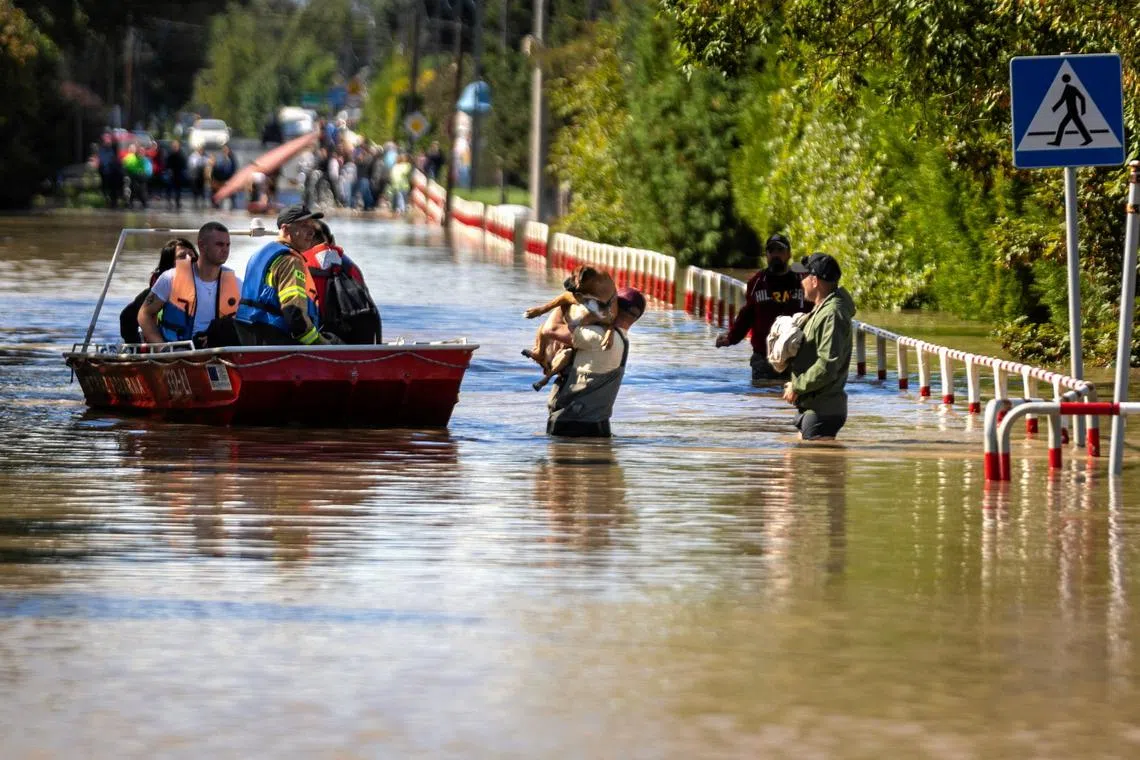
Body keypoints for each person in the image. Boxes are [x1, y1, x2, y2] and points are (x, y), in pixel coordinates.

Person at [544, 286, 646, 438]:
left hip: (572, 425)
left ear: (613, 307)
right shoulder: (622, 340)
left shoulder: (598, 337)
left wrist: (565, 300)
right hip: (598, 426)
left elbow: (550, 329)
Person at [234, 204, 339, 346]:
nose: (311, 232)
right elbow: (294, 314)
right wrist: (321, 344)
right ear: (285, 229)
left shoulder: (259, 254)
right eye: (304, 226)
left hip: (247, 334)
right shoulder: (291, 261)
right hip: (273, 340)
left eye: (312, 226)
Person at [715, 232, 808, 384]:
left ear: (789, 254)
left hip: (795, 356)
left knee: (791, 402)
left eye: (780, 251)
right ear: (766, 255)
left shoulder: (801, 281)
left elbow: (814, 310)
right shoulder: (757, 282)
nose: (775, 255)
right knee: (762, 401)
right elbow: (746, 316)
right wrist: (731, 338)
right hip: (763, 358)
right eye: (771, 251)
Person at [782, 253, 857, 440]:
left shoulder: (833, 314)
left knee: (816, 467)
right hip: (813, 406)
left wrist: (797, 386)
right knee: (800, 463)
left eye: (803, 277)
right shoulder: (823, 309)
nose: (801, 282)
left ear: (814, 280)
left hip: (824, 410)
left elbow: (827, 365)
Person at [138, 223, 242, 347]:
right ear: (202, 246)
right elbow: (144, 314)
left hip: (219, 354)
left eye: (227, 245)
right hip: (178, 354)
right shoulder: (170, 278)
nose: (225, 249)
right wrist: (162, 348)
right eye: (219, 244)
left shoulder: (237, 284)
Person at [302, 220, 382, 343]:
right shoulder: (351, 266)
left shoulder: (300, 263)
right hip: (358, 342)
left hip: (320, 340)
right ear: (332, 239)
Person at [119, 238, 197, 343]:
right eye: (182, 256)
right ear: (170, 264)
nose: (189, 258)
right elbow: (126, 317)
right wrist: (137, 346)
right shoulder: (157, 292)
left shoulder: (210, 285)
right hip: (168, 348)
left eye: (192, 255)